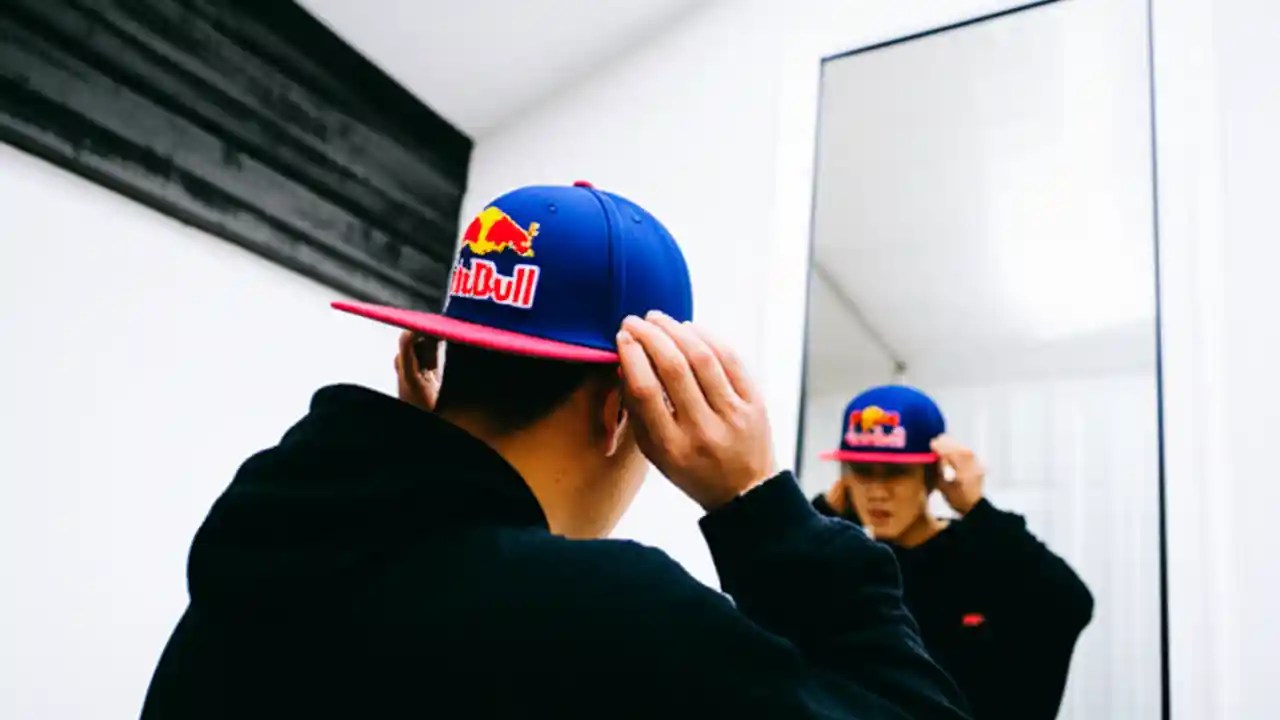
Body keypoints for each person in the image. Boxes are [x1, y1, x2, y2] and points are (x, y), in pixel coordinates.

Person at [141, 183, 971, 719]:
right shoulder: (609, 617)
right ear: (624, 411)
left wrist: (422, 456)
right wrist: (758, 502)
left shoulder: (263, 559)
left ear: (442, 363)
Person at [812, 385, 1094, 720]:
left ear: (931, 477)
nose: (877, 491)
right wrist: (821, 517)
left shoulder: (982, 551)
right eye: (862, 471)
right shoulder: (855, 565)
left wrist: (977, 509)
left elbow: (1069, 604)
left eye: (896, 471)